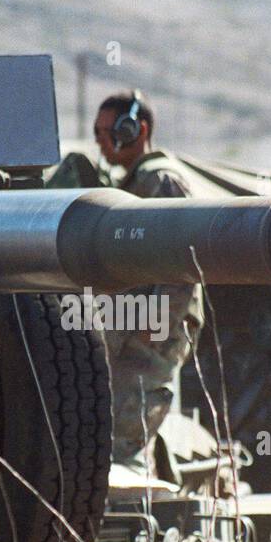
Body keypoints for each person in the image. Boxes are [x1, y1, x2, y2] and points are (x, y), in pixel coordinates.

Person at [92, 90, 204, 475]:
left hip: (151, 331)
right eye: (96, 133)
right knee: (123, 427)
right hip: (136, 328)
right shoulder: (136, 181)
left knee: (125, 438)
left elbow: (182, 262)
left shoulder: (162, 181)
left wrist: (154, 329)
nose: (100, 142)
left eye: (107, 132)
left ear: (136, 130)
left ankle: (133, 521)